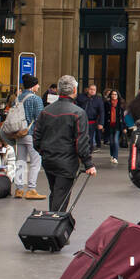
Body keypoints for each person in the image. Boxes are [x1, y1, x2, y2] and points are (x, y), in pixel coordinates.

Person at [32, 74, 96, 213]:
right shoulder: (78, 113)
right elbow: (82, 141)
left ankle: (52, 223)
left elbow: (36, 138)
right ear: (74, 90)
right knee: (61, 196)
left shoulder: (46, 111)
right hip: (66, 161)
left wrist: (44, 152)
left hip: (49, 159)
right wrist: (88, 163)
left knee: (55, 193)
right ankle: (53, 226)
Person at [12, 75, 46, 200]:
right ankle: (31, 189)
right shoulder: (36, 99)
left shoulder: (17, 98)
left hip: (18, 133)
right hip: (31, 133)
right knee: (35, 161)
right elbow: (40, 118)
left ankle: (19, 189)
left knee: (20, 161)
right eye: (37, 84)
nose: (38, 86)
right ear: (32, 86)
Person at [83, 83, 105, 151]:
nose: (92, 91)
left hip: (92, 122)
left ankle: (89, 153)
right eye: (91, 89)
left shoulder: (98, 99)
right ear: (88, 90)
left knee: (90, 138)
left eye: (94, 90)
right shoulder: (81, 97)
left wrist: (101, 123)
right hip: (82, 121)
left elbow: (102, 112)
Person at [105, 89, 124, 164]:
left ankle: (115, 157)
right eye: (112, 94)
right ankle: (112, 155)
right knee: (111, 142)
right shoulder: (107, 103)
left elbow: (122, 116)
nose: (114, 96)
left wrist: (124, 127)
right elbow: (105, 115)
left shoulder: (121, 104)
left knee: (116, 141)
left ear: (118, 95)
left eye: (115, 94)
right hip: (109, 125)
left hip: (117, 125)